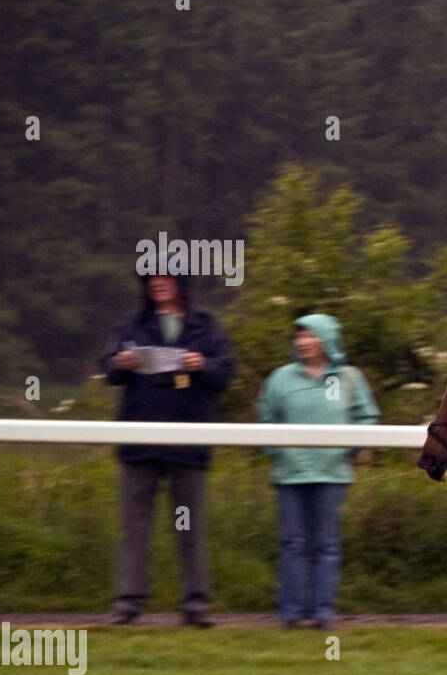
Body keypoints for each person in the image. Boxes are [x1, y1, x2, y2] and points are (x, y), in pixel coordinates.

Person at [100, 254, 234, 626]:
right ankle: (129, 604)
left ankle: (195, 605)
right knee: (135, 528)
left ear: (180, 282)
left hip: (188, 442)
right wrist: (120, 364)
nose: (157, 283)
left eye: (164, 278)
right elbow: (107, 368)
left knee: (188, 526)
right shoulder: (133, 323)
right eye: (150, 279)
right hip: (138, 441)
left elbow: (225, 372)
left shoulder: (205, 325)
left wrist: (201, 366)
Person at [257, 315, 379, 629]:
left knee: (326, 544)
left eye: (309, 335)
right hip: (290, 475)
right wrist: (279, 452)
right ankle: (291, 613)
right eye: (298, 336)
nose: (302, 342)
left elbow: (368, 417)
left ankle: (323, 612)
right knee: (293, 544)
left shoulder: (350, 378)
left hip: (332, 475)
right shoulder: (280, 378)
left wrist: (348, 450)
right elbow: (266, 420)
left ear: (326, 339)